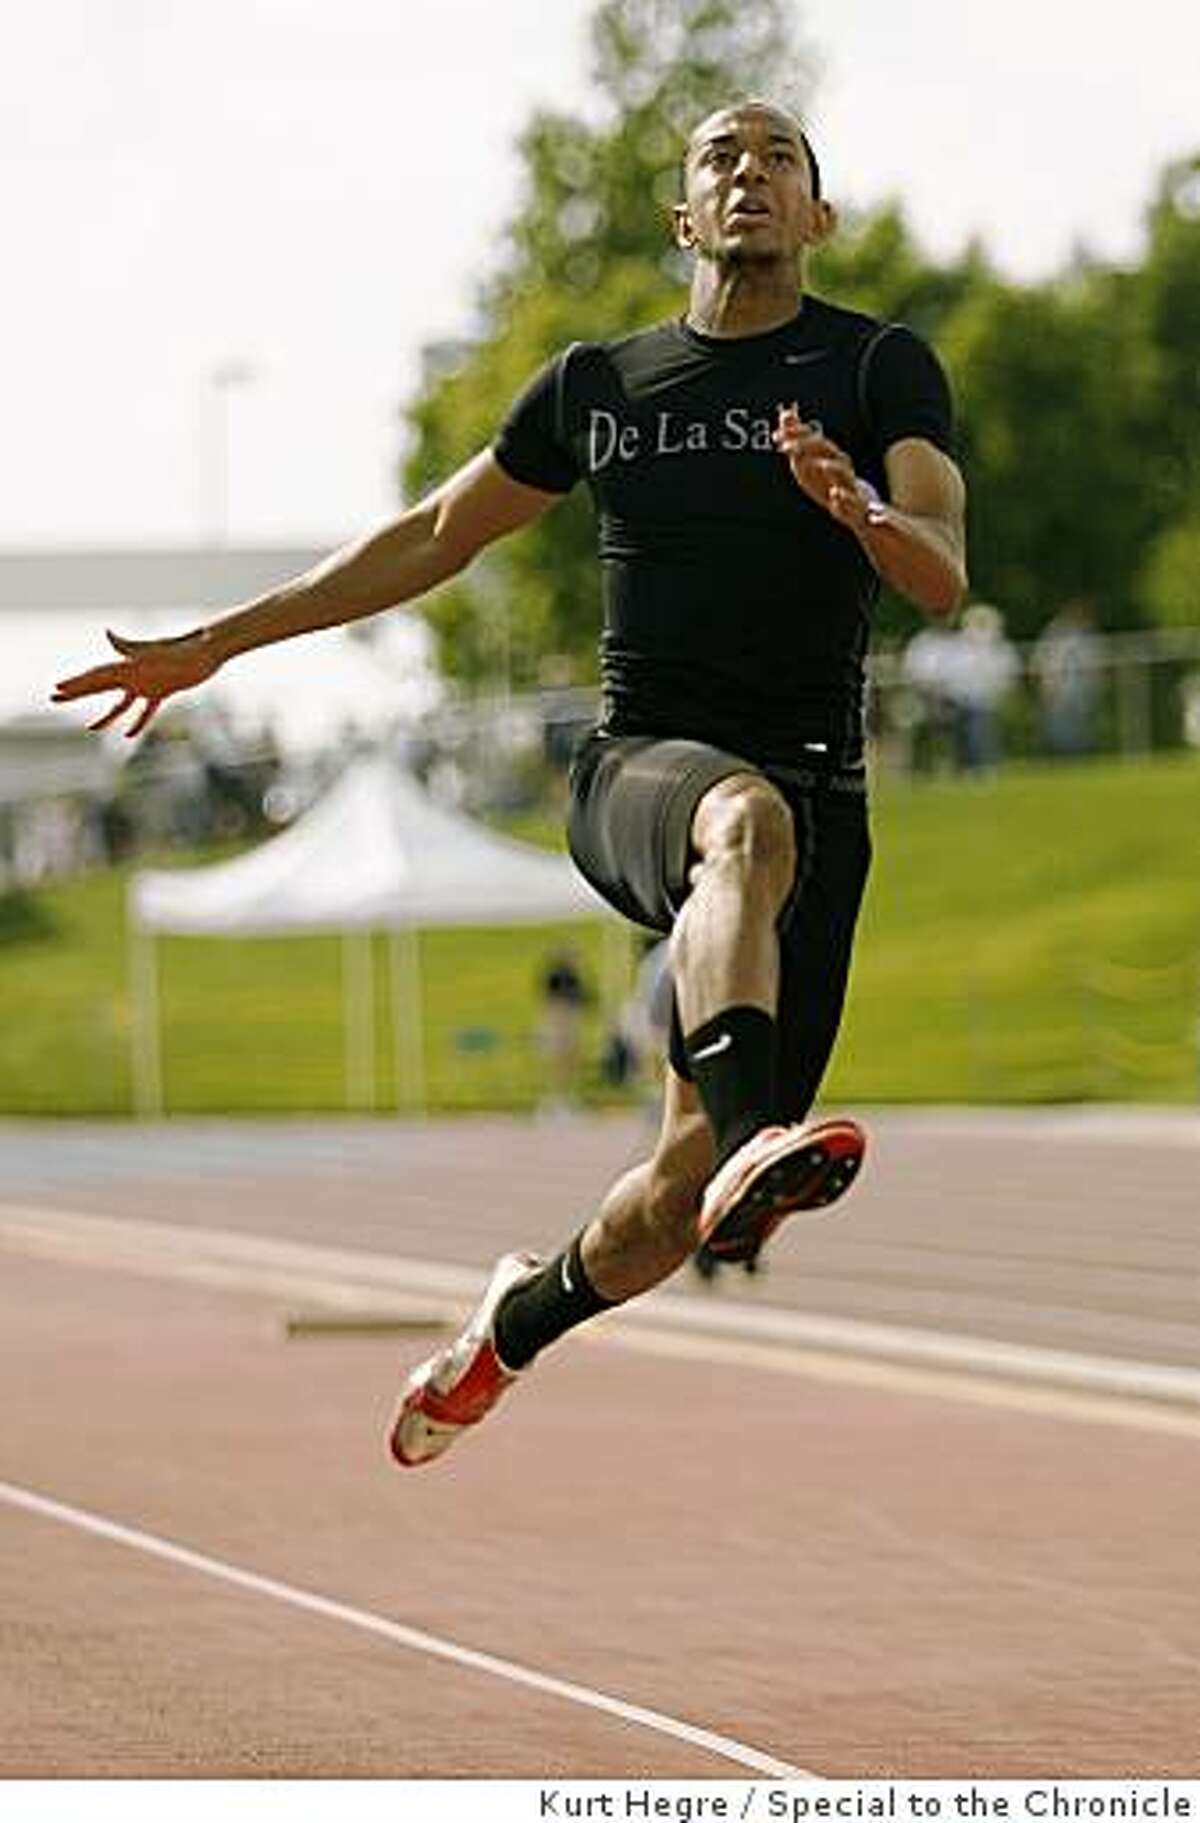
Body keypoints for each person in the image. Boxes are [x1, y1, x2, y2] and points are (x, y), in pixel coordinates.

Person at [52, 99, 967, 1469]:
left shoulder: (878, 366)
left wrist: (864, 514)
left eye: (781, 158)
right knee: (739, 825)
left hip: (821, 797)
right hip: (640, 772)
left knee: (665, 1204)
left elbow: (943, 575)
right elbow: (429, 534)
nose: (751, 175)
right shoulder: (602, 387)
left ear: (818, 216)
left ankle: (511, 1326)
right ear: (683, 216)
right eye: (722, 157)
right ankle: (744, 1150)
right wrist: (214, 643)